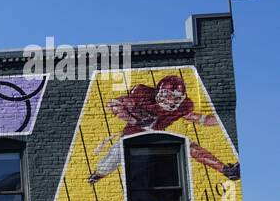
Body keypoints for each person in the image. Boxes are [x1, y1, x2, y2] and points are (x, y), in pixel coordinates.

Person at [88, 74, 240, 184]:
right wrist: (134, 119)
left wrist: (222, 119)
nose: (170, 100)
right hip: (131, 137)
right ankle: (96, 177)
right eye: (168, 95)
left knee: (188, 146)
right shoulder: (142, 94)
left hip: (157, 136)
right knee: (108, 164)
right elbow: (114, 105)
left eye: (175, 97)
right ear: (158, 91)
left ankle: (226, 170)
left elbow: (201, 119)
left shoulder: (182, 107)